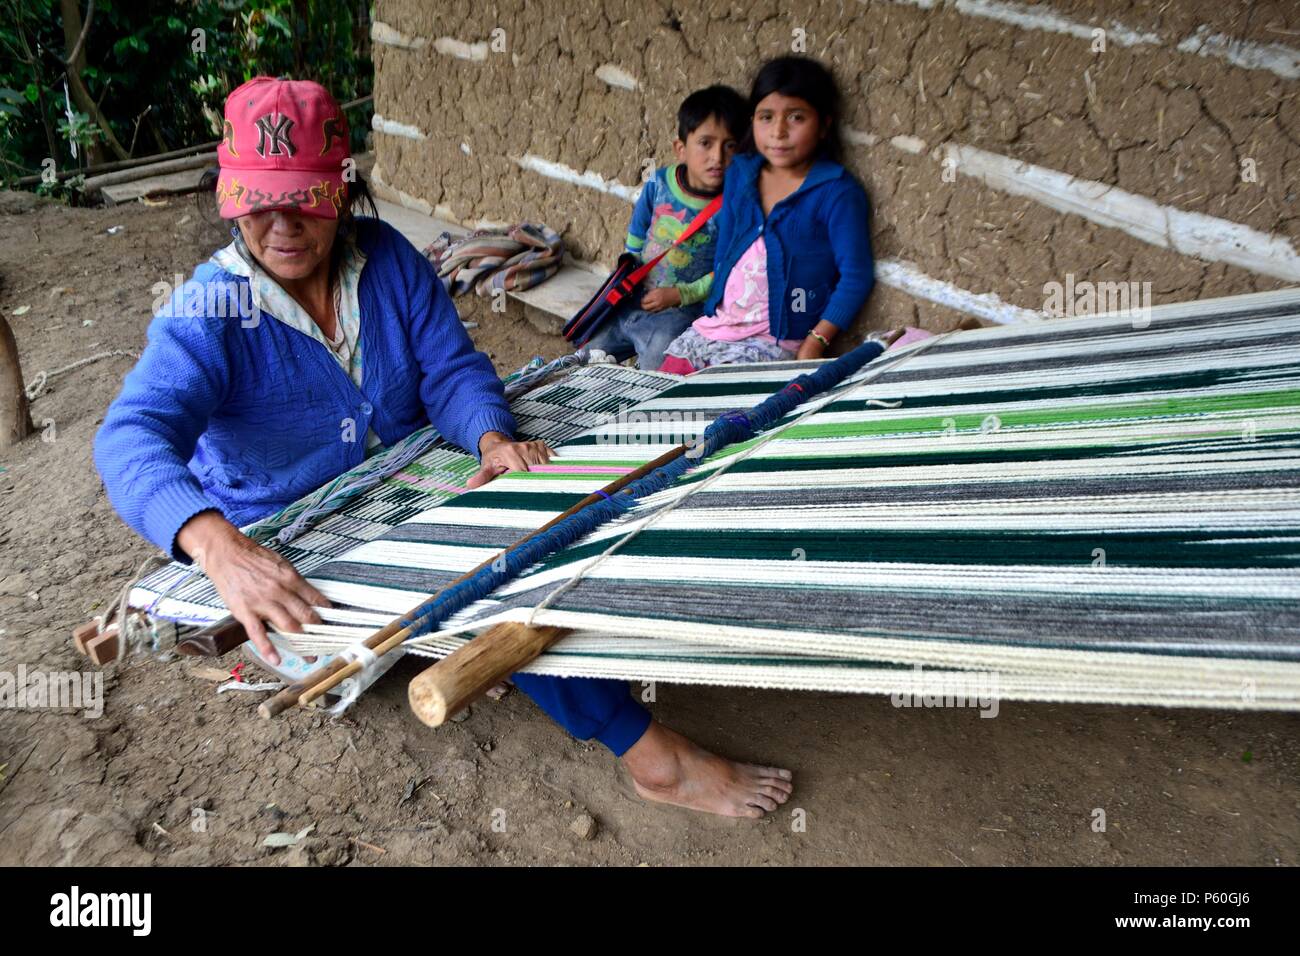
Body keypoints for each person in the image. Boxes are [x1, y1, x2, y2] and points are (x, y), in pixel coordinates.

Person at [95, 77, 793, 819]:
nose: (284, 225)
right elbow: (130, 438)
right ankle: (653, 757)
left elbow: (453, 369)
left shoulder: (387, 260)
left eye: (306, 199)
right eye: (258, 203)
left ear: (340, 192)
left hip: (409, 478)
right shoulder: (210, 307)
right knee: (492, 577)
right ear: (229, 201)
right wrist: (218, 548)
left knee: (558, 507)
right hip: (297, 537)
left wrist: (490, 435)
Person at [659, 56, 875, 374]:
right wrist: (710, 304)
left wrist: (817, 340)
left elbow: (856, 276)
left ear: (824, 125)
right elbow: (726, 248)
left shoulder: (836, 192)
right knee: (662, 391)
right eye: (766, 117)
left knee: (722, 410)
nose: (778, 132)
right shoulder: (742, 173)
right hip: (719, 325)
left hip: (776, 339)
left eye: (796, 118)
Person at [583, 85, 747, 370]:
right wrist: (628, 269)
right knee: (590, 351)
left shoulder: (731, 206)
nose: (718, 158)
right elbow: (638, 229)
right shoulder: (659, 183)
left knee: (659, 359)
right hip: (636, 299)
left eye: (729, 146)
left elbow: (727, 271)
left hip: (682, 310)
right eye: (706, 143)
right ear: (680, 149)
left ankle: (640, 401)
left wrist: (680, 295)